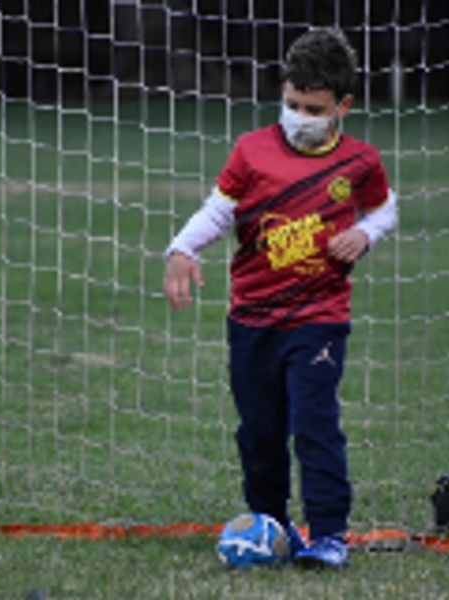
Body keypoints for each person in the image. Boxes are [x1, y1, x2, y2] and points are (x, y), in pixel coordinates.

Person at [162, 27, 398, 568]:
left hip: (319, 318)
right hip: (250, 320)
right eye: (291, 103)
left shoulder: (360, 163)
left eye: (313, 108)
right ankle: (270, 524)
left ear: (343, 106)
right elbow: (219, 211)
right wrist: (182, 248)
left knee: (314, 425)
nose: (298, 115)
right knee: (259, 432)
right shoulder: (252, 150)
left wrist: (366, 233)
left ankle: (330, 536)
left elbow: (384, 208)